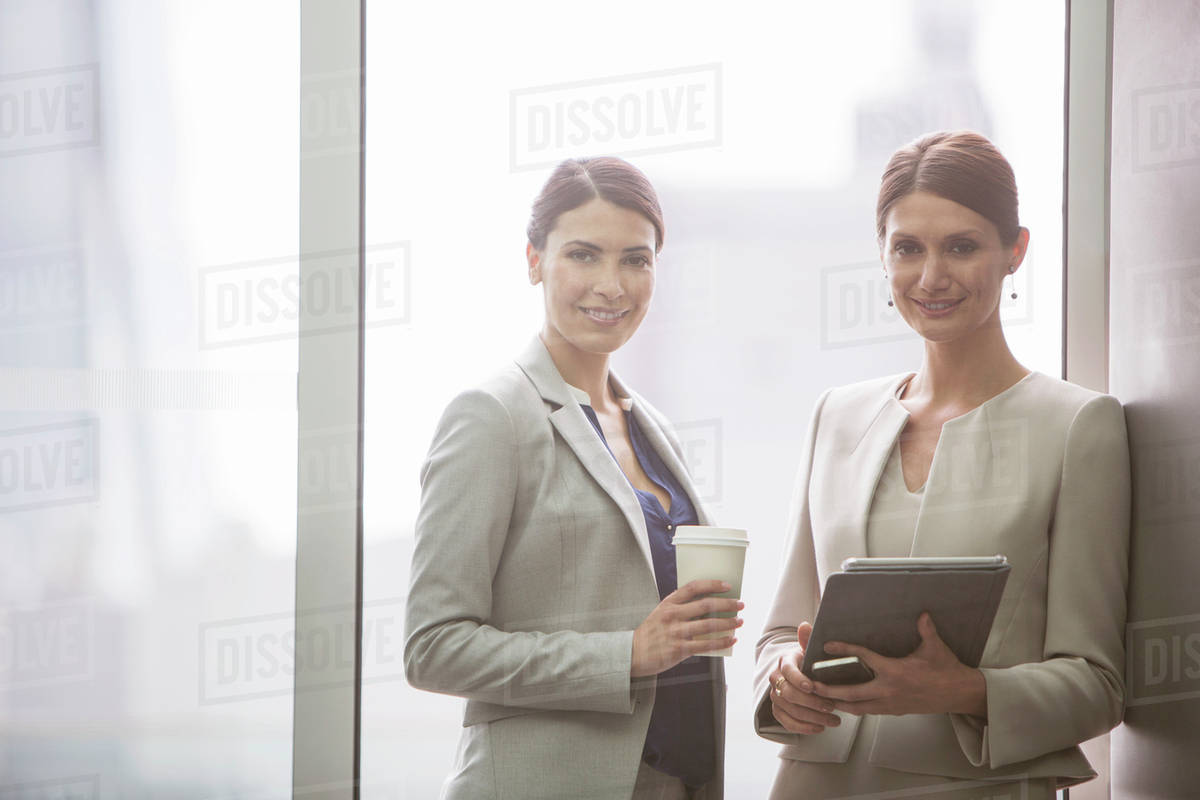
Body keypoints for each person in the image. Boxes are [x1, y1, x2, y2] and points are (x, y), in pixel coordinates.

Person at [753, 131, 1130, 799]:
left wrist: (963, 689)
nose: (931, 277)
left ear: (1015, 252)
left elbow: (1097, 685)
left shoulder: (1077, 427)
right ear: (882, 256)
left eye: (962, 246)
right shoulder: (834, 416)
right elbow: (784, 630)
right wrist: (783, 678)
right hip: (817, 783)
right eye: (908, 248)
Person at [404, 156, 739, 799]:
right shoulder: (492, 415)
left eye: (635, 260)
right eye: (584, 255)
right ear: (534, 260)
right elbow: (433, 646)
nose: (611, 285)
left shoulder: (653, 428)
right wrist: (628, 655)